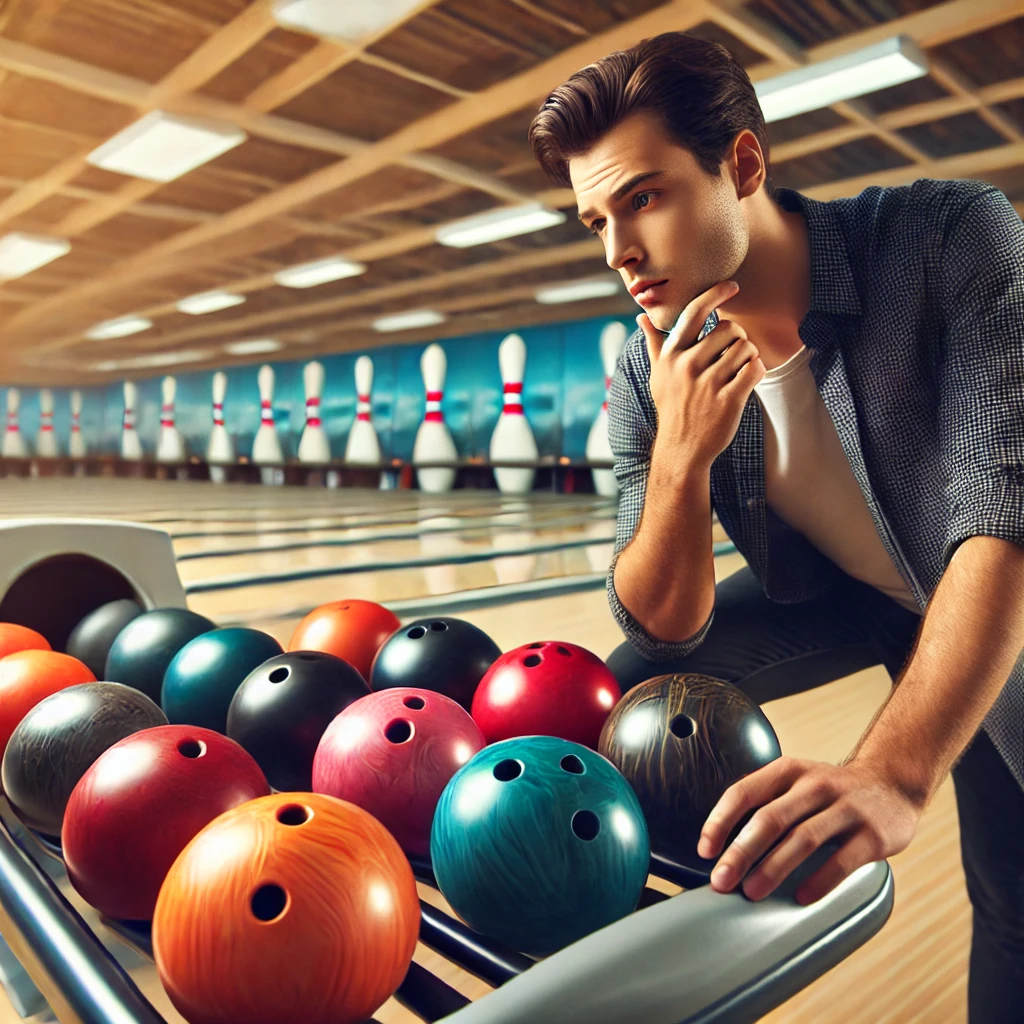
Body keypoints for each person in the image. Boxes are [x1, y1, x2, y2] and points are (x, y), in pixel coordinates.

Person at [529, 31, 1024, 1023]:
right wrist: (678, 461)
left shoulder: (943, 239)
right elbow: (662, 623)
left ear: (742, 165)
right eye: (594, 219)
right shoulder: (646, 362)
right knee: (629, 682)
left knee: (1010, 890)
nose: (618, 250)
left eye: (644, 197)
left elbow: (1001, 518)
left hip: (993, 587)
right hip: (849, 598)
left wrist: (888, 771)